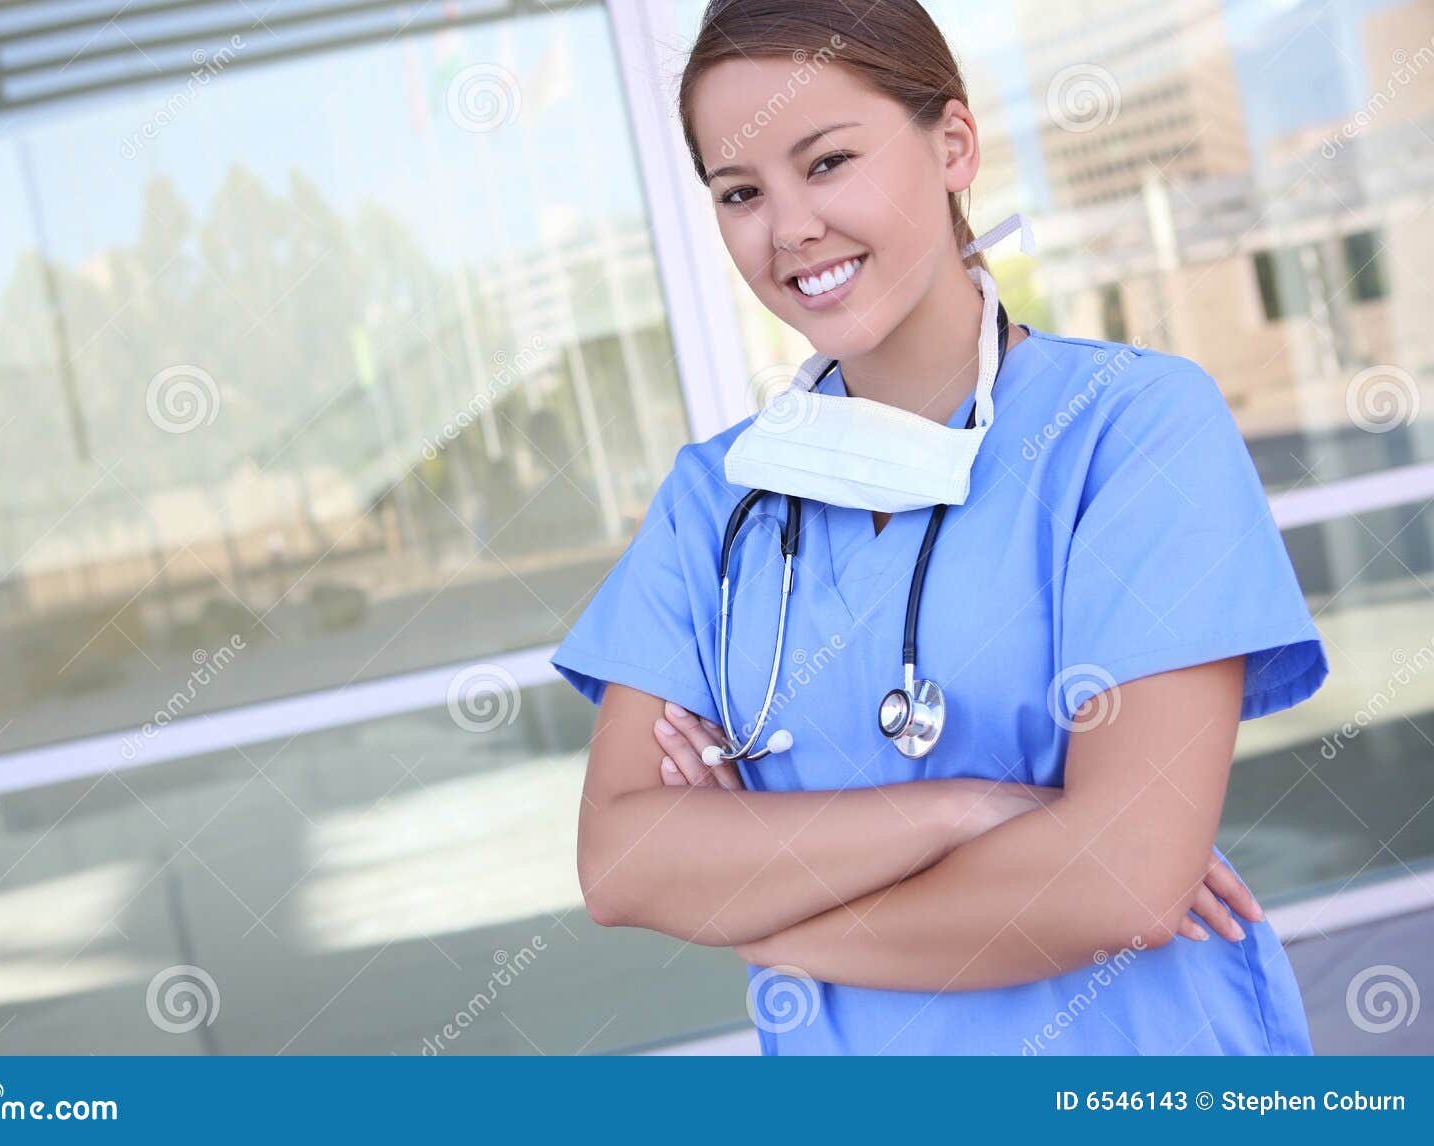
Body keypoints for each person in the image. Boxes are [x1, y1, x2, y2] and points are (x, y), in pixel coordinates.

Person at [548, 0, 1328, 1055]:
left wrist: (772, 917)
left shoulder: (1129, 430)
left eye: (825, 163)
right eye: (740, 193)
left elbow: (1122, 880)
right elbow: (623, 864)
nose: (786, 230)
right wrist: (962, 811)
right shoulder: (715, 499)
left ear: (952, 144)